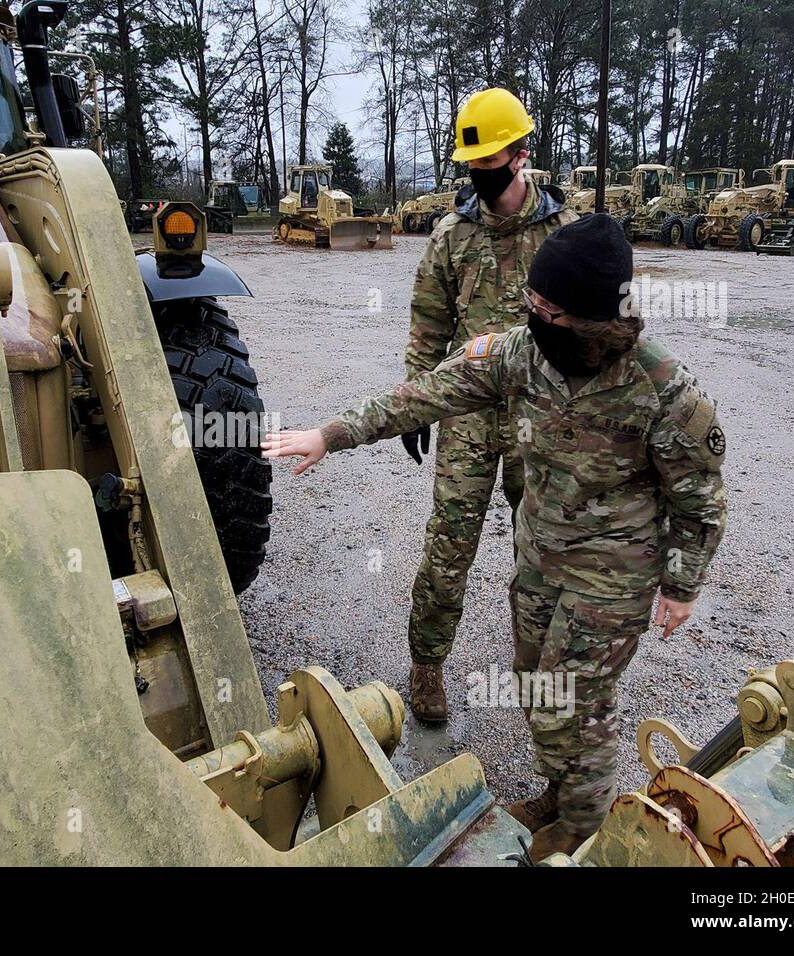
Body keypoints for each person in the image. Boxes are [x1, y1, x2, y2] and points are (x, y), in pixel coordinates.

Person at [261, 215, 727, 858]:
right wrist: (330, 435)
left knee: (576, 701)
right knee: (534, 682)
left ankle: (585, 827)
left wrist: (681, 586)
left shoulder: (663, 391)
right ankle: (560, 794)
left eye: (546, 307)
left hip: (614, 575)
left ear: (591, 319)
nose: (531, 314)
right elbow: (429, 393)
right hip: (539, 558)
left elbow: (700, 500)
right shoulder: (522, 352)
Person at [401, 87, 577, 722]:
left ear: (521, 156)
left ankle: (540, 672)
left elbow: (591, 327)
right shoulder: (453, 235)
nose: (479, 177)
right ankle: (427, 666)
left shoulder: (563, 231)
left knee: (544, 550)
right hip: (471, 415)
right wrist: (418, 400)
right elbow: (427, 325)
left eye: (489, 165)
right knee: (449, 547)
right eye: (470, 167)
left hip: (542, 418)